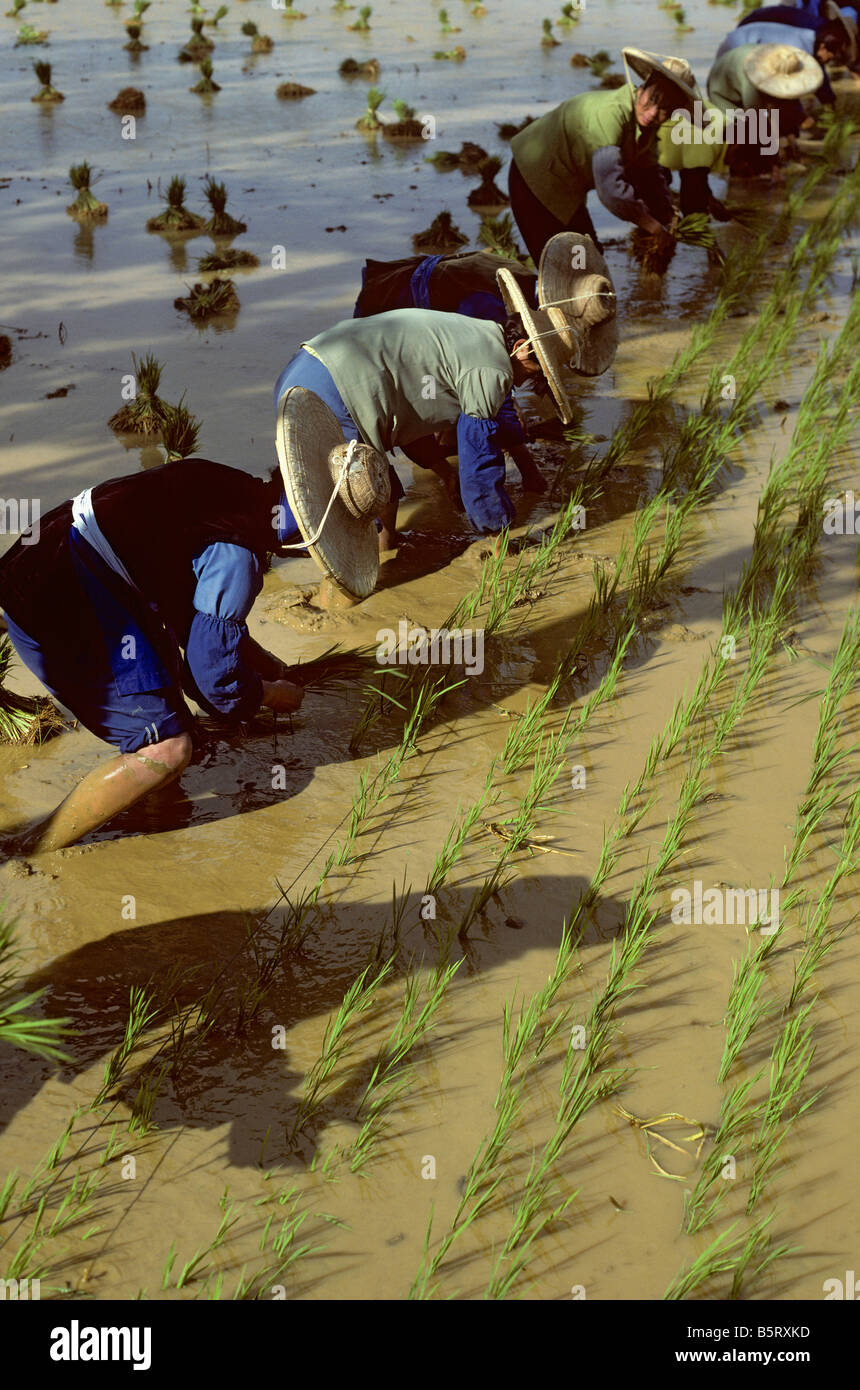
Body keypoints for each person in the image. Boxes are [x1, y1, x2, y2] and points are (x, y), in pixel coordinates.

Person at [0, 459, 310, 852]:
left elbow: (192, 624)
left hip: (46, 552)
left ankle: (158, 804)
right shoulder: (239, 556)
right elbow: (213, 679)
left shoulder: (231, 487)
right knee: (167, 747)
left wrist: (263, 664)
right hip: (64, 594)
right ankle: (30, 848)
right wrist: (267, 695)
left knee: (167, 708)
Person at [274, 237, 618, 550]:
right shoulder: (494, 369)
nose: (530, 383)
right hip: (332, 389)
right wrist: (499, 535)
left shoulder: (478, 334)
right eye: (540, 371)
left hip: (307, 367)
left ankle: (381, 546)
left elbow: (405, 419)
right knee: (345, 506)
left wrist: (444, 472)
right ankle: (259, 540)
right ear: (524, 350)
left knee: (363, 487)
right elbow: (479, 461)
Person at [352, 249, 546, 498]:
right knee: (401, 417)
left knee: (451, 403)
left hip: (415, 317)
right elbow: (488, 389)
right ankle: (439, 480)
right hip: (381, 328)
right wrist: (530, 472)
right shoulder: (486, 307)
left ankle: (447, 464)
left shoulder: (519, 292)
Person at [507, 47, 699, 261]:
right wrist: (650, 225)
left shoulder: (647, 129)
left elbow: (649, 176)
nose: (653, 113)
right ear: (643, 88)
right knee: (560, 264)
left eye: (665, 108)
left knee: (588, 257)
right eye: (652, 99)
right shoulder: (611, 114)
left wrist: (667, 219)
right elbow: (610, 190)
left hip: (568, 189)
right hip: (533, 177)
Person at [707, 42, 824, 176]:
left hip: (742, 86)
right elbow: (757, 121)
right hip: (724, 94)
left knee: (768, 130)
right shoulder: (752, 76)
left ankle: (763, 165)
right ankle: (739, 172)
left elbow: (788, 102)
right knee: (744, 133)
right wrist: (773, 162)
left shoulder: (778, 60)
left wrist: (791, 134)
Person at [716, 3, 854, 107]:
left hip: (751, 36)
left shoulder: (817, 34)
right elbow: (789, 84)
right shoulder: (807, 37)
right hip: (742, 43)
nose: (832, 59)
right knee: (751, 107)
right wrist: (828, 104)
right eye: (832, 53)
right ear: (825, 46)